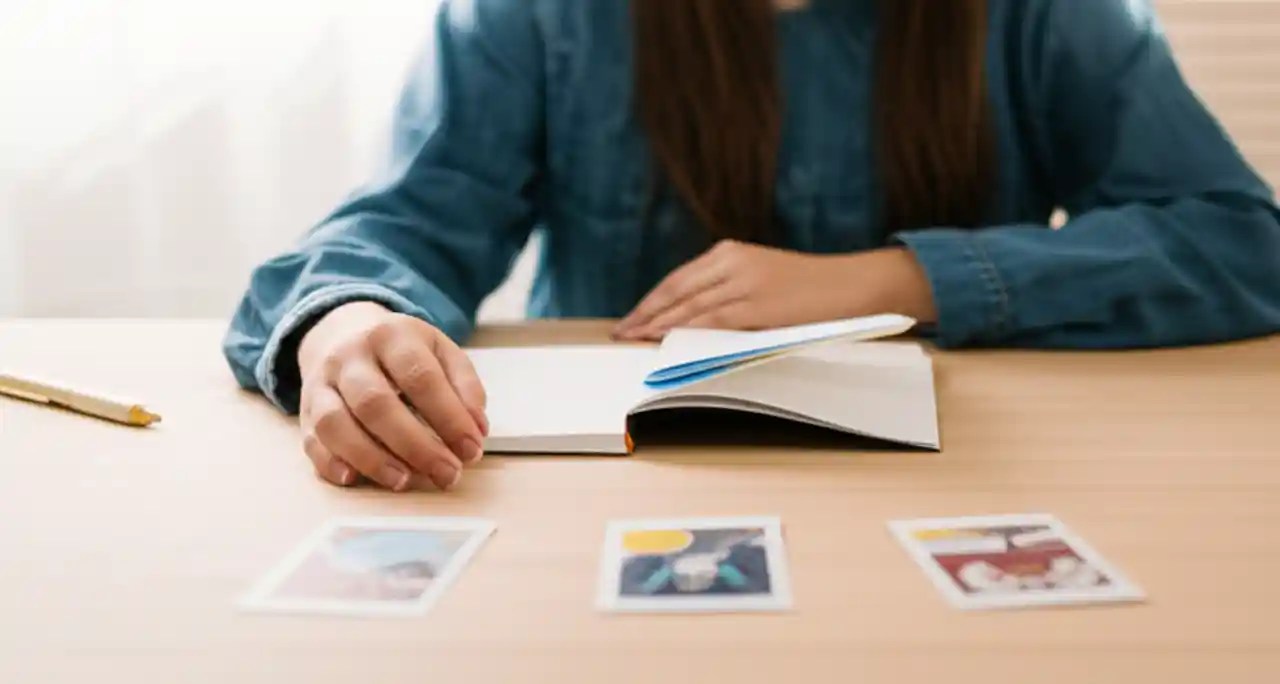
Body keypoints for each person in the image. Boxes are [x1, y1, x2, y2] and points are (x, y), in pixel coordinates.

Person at [223, 0, 1280, 493]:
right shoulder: (532, 18)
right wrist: (346, 322)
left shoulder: (1051, 17)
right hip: (613, 497)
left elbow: (1238, 241)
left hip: (968, 481)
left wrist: (893, 279)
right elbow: (402, 223)